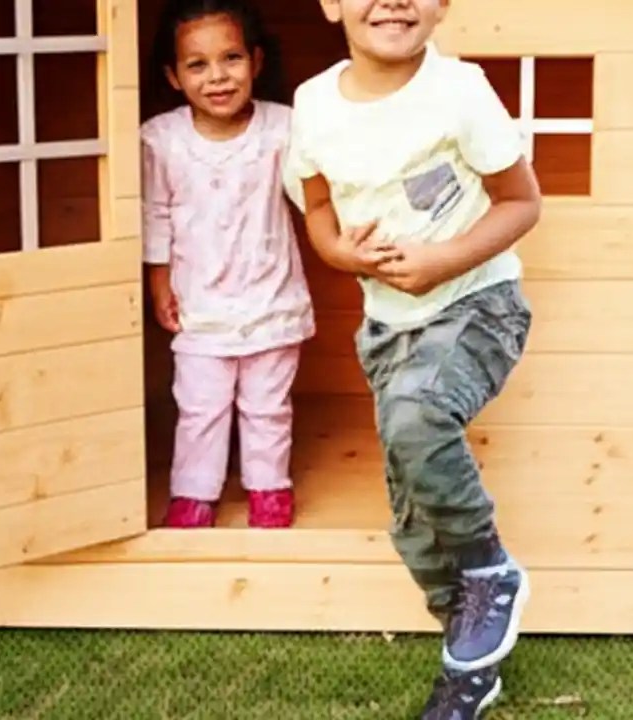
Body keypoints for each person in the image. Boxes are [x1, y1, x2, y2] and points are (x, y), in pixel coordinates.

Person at [282, 0, 544, 715]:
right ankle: (473, 664)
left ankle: (490, 569)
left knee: (417, 415)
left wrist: (442, 261)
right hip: (388, 328)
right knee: (413, 524)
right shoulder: (313, 104)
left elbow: (522, 202)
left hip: (477, 306)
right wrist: (341, 255)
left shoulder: (459, 92)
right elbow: (316, 213)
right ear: (331, 4)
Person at [140, 0, 314, 530]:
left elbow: (318, 197)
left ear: (256, 61)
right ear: (173, 75)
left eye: (231, 58)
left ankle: (269, 487)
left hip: (272, 298)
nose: (217, 76)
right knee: (200, 405)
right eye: (197, 65)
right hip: (200, 304)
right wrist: (158, 282)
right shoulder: (161, 139)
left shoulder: (283, 128)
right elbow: (155, 213)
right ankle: (194, 494)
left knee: (267, 406)